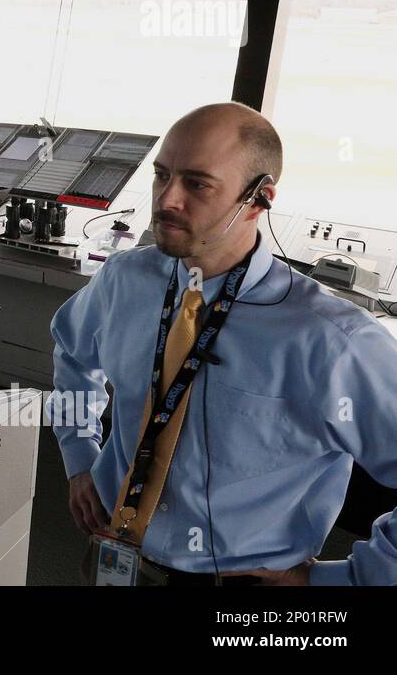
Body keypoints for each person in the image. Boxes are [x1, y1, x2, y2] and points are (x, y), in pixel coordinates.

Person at [52, 102, 397, 585]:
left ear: (259, 199)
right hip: (116, 553)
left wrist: (346, 579)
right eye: (161, 175)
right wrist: (79, 456)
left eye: (196, 183)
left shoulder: (333, 339)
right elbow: (72, 355)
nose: (167, 199)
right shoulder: (124, 279)